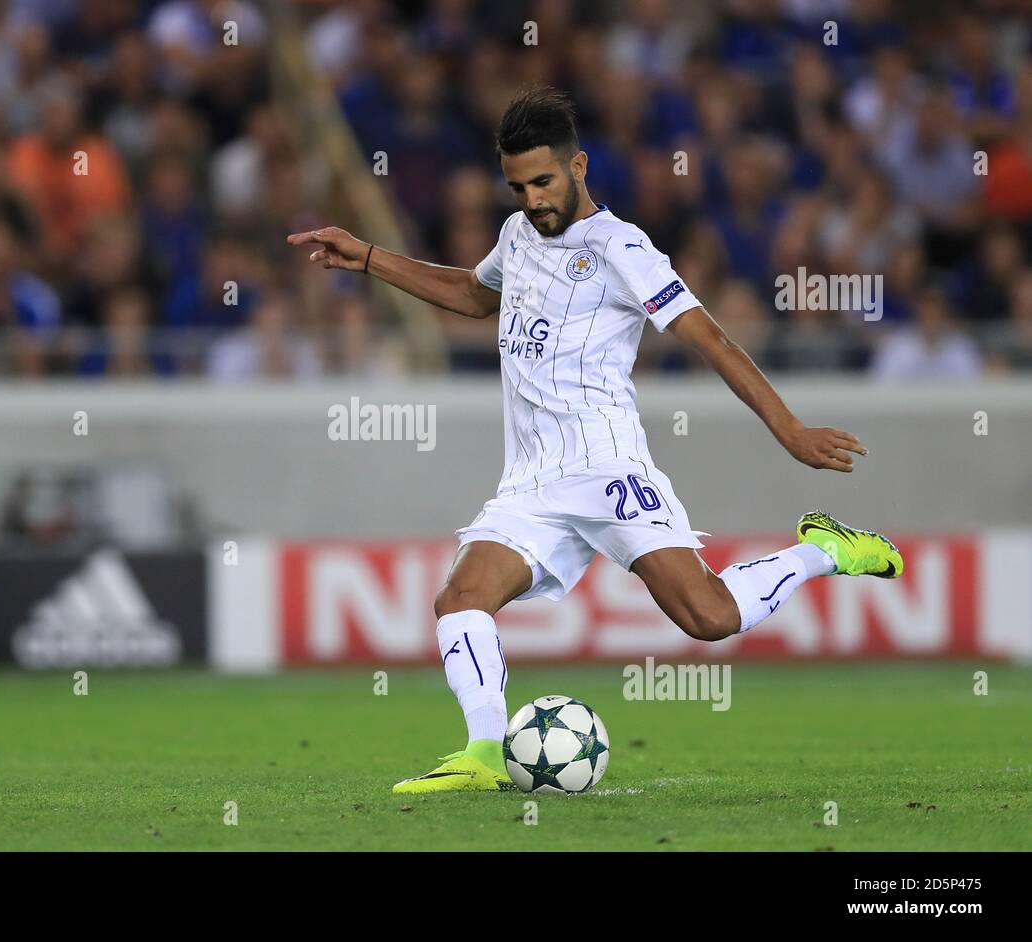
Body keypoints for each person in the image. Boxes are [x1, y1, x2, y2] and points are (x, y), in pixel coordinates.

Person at [287, 86, 904, 794]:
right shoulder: (518, 235)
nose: (532, 200)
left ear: (577, 166)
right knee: (460, 600)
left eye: (543, 182)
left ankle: (822, 550)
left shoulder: (623, 247)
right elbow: (471, 295)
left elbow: (713, 340)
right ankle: (484, 752)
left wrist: (789, 429)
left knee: (709, 617)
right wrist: (366, 257)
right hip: (529, 484)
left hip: (608, 467)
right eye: (517, 186)